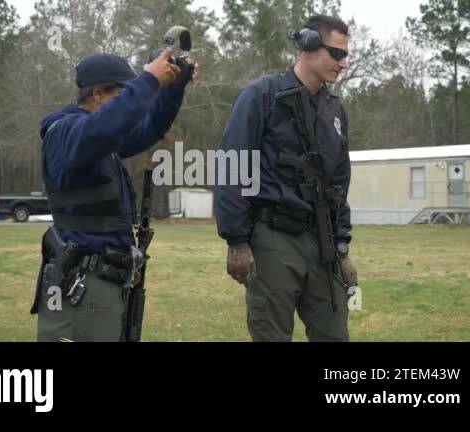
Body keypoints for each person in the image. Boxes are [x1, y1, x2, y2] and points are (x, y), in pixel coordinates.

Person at [32, 49, 198, 342]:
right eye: (123, 94)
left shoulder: (97, 139)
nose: (130, 105)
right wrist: (148, 79)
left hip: (102, 285)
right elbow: (107, 126)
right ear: (98, 94)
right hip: (79, 290)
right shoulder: (66, 133)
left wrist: (172, 88)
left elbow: (151, 127)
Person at [215, 15, 357, 342]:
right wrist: (236, 240)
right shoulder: (261, 95)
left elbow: (339, 182)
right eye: (336, 54)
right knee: (272, 336)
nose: (344, 64)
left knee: (335, 334)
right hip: (274, 237)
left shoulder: (335, 110)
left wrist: (343, 244)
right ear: (308, 45)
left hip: (322, 241)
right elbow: (232, 167)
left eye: (346, 55)